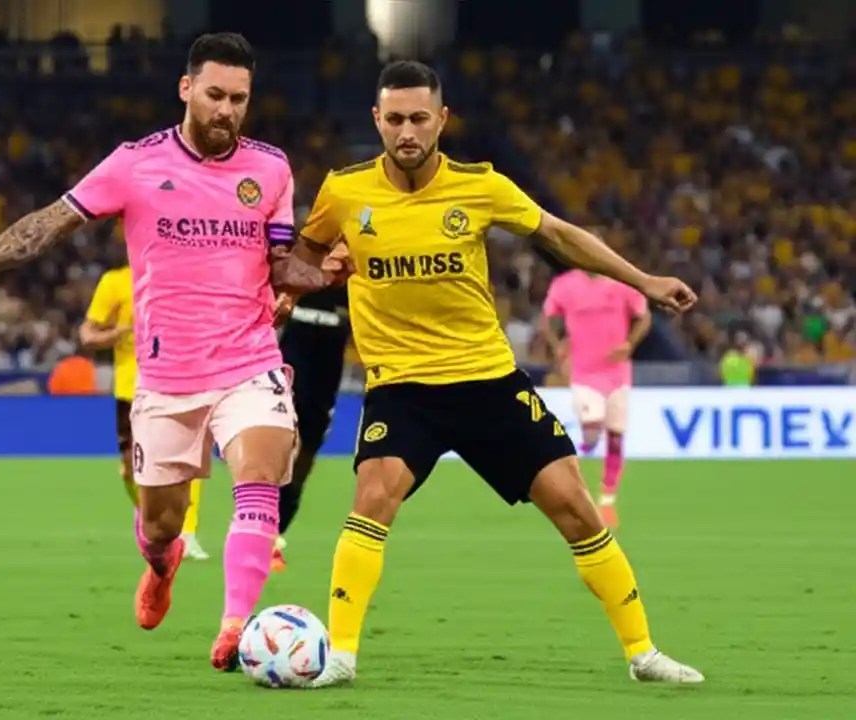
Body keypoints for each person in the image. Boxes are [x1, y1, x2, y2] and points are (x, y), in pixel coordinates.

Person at [0, 33, 335, 670]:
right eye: (215, 95)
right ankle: (161, 563)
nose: (227, 110)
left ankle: (234, 629)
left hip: (249, 360)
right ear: (186, 89)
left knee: (259, 479)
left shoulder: (271, 169)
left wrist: (326, 273)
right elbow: (51, 222)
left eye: (239, 99)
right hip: (167, 377)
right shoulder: (134, 164)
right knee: (162, 524)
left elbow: (282, 265)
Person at [291, 61, 704, 687]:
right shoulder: (344, 192)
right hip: (402, 388)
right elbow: (304, 254)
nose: (407, 131)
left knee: (576, 507)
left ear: (441, 120)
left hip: (488, 380)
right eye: (395, 118)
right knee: (372, 497)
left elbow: (560, 236)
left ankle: (644, 653)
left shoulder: (479, 186)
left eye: (419, 118)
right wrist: (309, 279)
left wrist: (643, 281)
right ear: (377, 120)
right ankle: (341, 659)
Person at [80, 241, 209, 560]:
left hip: (172, 382)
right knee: (130, 469)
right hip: (129, 388)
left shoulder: (178, 278)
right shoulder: (115, 282)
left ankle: (187, 532)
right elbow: (87, 335)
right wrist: (120, 332)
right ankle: (149, 516)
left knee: (184, 463)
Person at [540, 268, 652, 528]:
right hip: (583, 372)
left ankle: (607, 499)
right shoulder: (565, 284)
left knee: (615, 436)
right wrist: (557, 346)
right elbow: (547, 319)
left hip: (617, 373)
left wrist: (630, 344)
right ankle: (583, 449)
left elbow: (644, 317)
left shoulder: (622, 283)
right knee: (592, 428)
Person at [271, 280, 351, 572]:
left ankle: (276, 532)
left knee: (305, 459)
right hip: (294, 352)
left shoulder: (357, 254)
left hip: (328, 363)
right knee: (284, 443)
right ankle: (263, 534)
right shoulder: (302, 250)